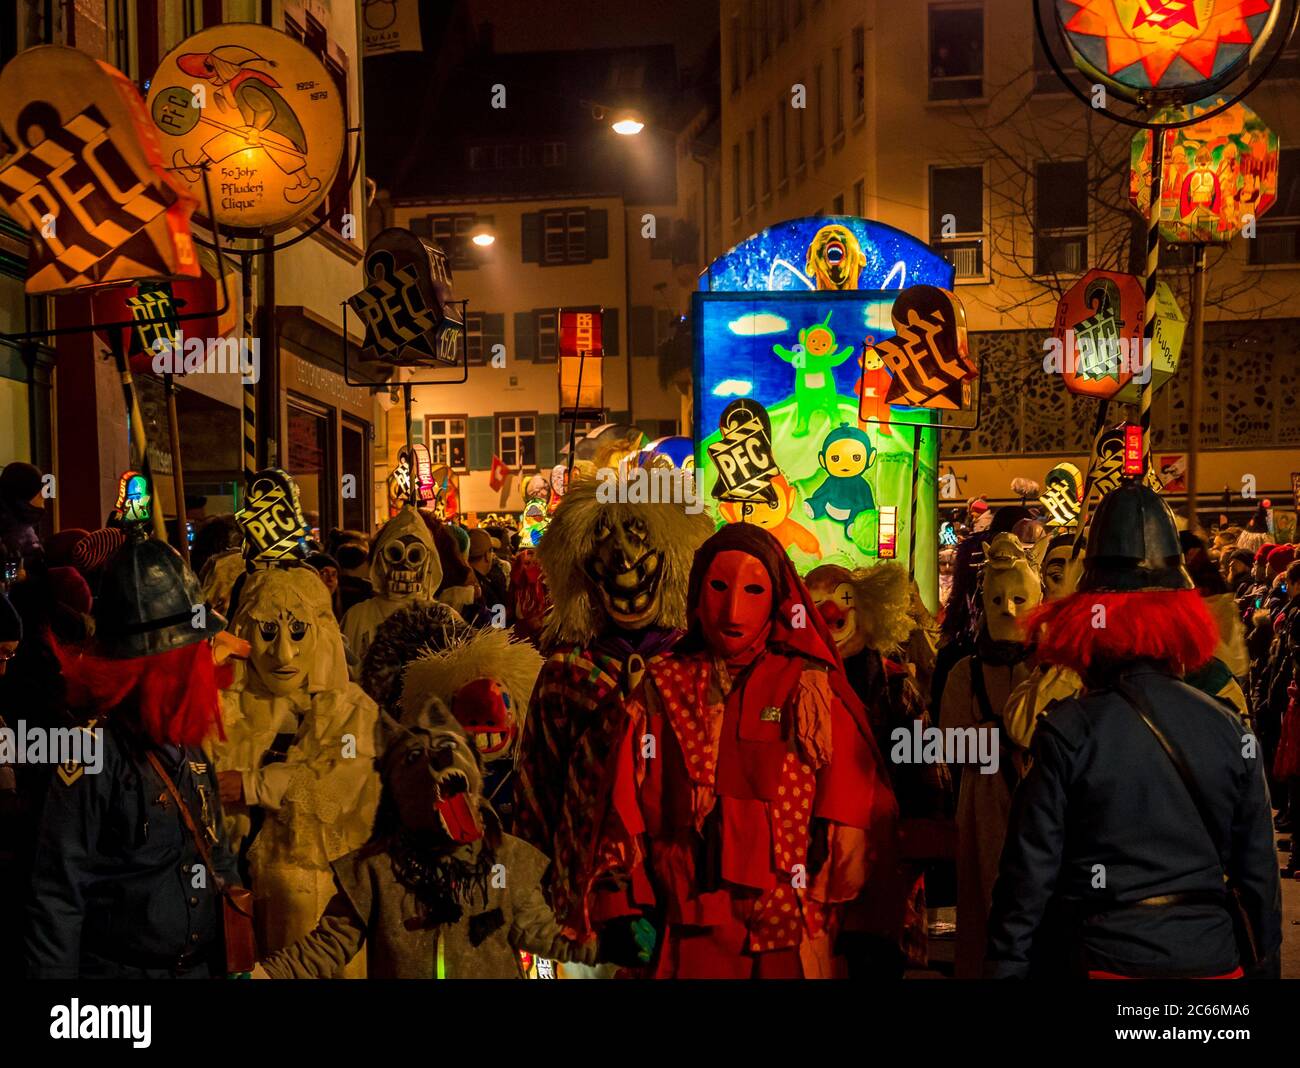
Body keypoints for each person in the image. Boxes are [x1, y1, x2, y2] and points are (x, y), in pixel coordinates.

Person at [987, 482, 1282, 979]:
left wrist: (1006, 968)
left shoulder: (1067, 732)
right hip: (1214, 966)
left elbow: (1027, 881)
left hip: (1105, 961)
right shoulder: (1231, 729)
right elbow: (1259, 878)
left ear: (1087, 622)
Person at [253, 699, 650, 979]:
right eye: (414, 759)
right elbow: (326, 947)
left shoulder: (505, 861)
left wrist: (609, 944)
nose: (435, 761)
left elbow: (544, 935)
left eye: (446, 748)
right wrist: (263, 976)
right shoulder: (374, 873)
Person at [25, 526, 243, 978]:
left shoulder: (190, 742)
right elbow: (57, 896)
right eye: (197, 648)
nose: (210, 657)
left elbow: (217, 853)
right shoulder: (91, 756)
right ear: (166, 664)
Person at [211, 566, 381, 971]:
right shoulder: (221, 706)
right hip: (234, 907)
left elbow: (334, 787)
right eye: (267, 631)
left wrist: (251, 785)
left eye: (298, 631)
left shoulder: (351, 710)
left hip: (318, 919)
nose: (283, 653)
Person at [940, 532, 1041, 978]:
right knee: (983, 907)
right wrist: (1001, 736)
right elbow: (948, 745)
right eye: (999, 598)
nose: (1009, 610)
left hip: (1037, 802)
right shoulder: (966, 671)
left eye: (1020, 598)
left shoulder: (1047, 669)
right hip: (983, 805)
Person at [0, 462, 45, 577]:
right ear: (24, 495)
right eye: (39, 494)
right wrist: (18, 576)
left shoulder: (24, 528)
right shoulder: (10, 535)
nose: (43, 497)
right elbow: (6, 577)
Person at [468, 528, 509, 620]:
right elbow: (499, 623)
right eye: (491, 551)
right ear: (487, 555)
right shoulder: (482, 588)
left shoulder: (464, 581)